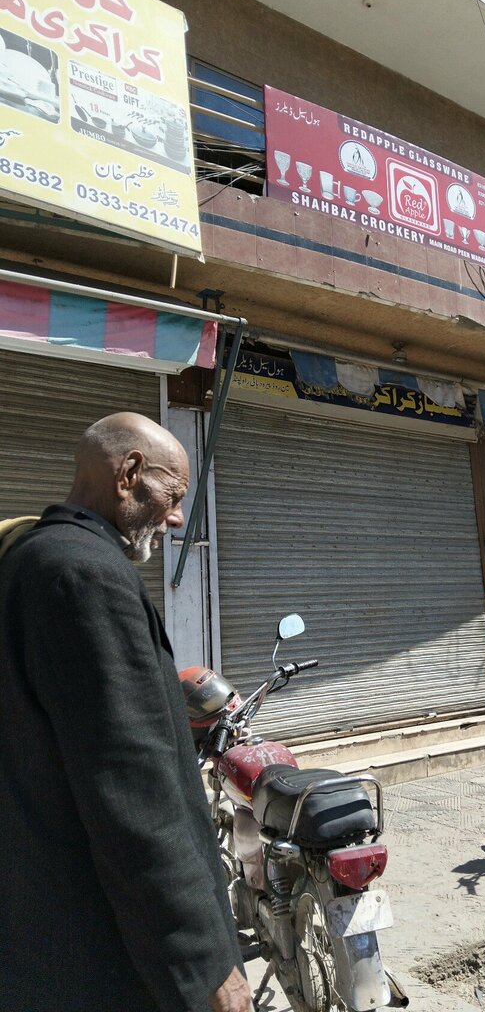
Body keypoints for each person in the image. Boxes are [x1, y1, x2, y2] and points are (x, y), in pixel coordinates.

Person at [0, 412, 253, 1012]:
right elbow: (136, 794)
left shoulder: (27, 560)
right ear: (129, 473)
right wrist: (206, 965)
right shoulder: (88, 575)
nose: (174, 518)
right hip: (96, 952)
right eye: (172, 496)